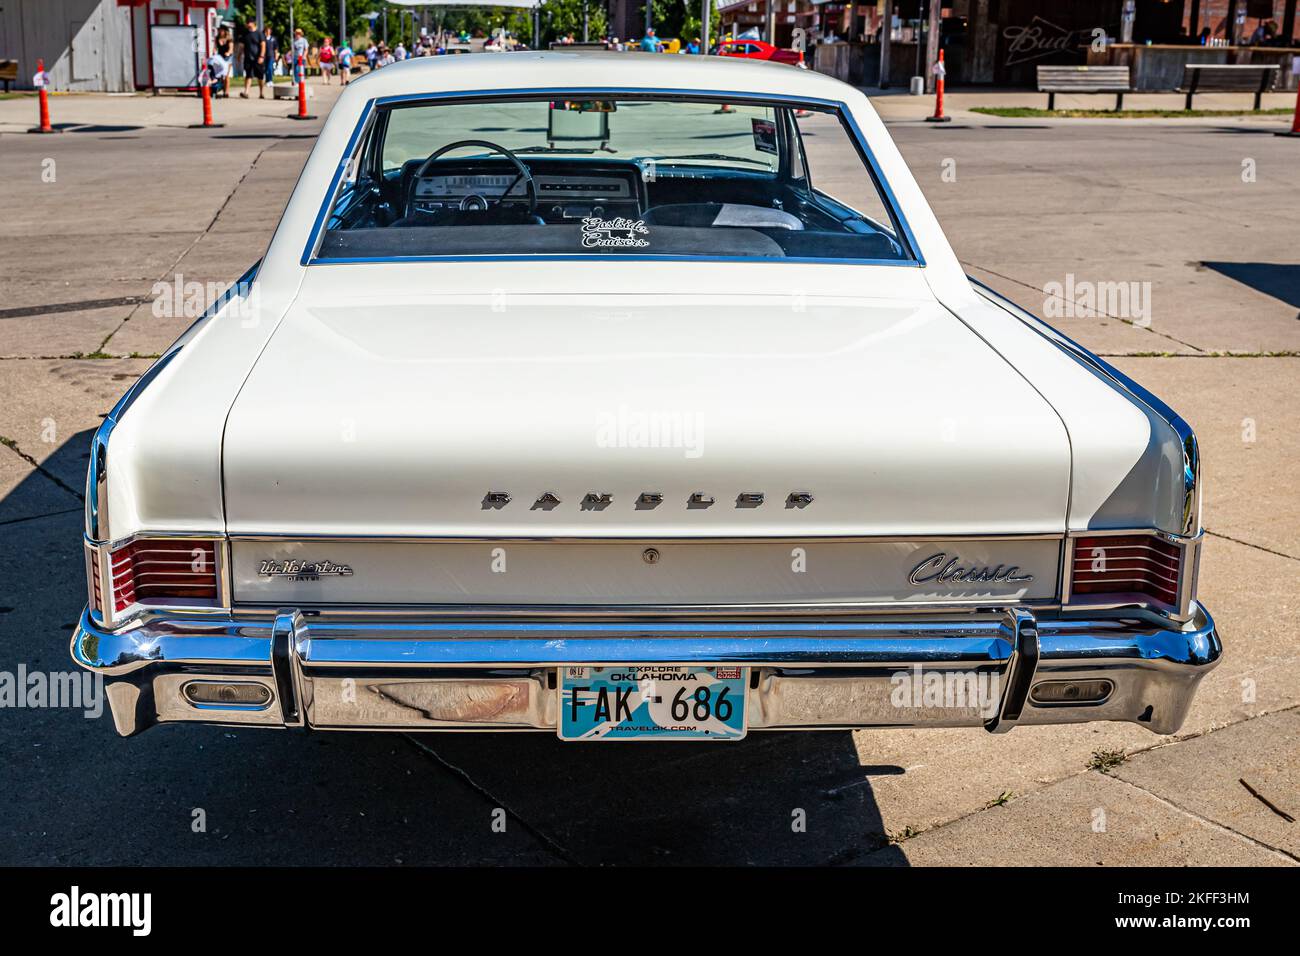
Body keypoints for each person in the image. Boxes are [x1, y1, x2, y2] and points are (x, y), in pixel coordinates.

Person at [239, 18, 264, 98]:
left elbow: (263, 45)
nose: (247, 24)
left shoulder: (259, 33)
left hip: (257, 58)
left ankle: (261, 93)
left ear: (253, 23)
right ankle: (246, 92)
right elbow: (242, 46)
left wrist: (261, 56)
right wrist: (239, 55)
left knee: (260, 76)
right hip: (248, 57)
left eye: (249, 23)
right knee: (248, 75)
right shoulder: (245, 34)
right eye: (247, 23)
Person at [214, 26, 234, 97]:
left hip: (228, 58)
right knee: (220, 75)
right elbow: (215, 48)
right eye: (220, 30)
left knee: (226, 75)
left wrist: (228, 53)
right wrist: (214, 52)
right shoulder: (217, 38)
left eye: (222, 30)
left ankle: (226, 92)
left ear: (225, 31)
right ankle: (221, 88)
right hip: (220, 58)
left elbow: (231, 49)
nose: (221, 32)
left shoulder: (229, 39)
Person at [262, 24, 279, 89]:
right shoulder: (263, 38)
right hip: (264, 56)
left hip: (271, 55)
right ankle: (267, 81)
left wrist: (276, 55)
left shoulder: (273, 39)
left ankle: (270, 80)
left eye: (269, 31)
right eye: (266, 31)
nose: (268, 32)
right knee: (266, 69)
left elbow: (276, 48)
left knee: (270, 68)